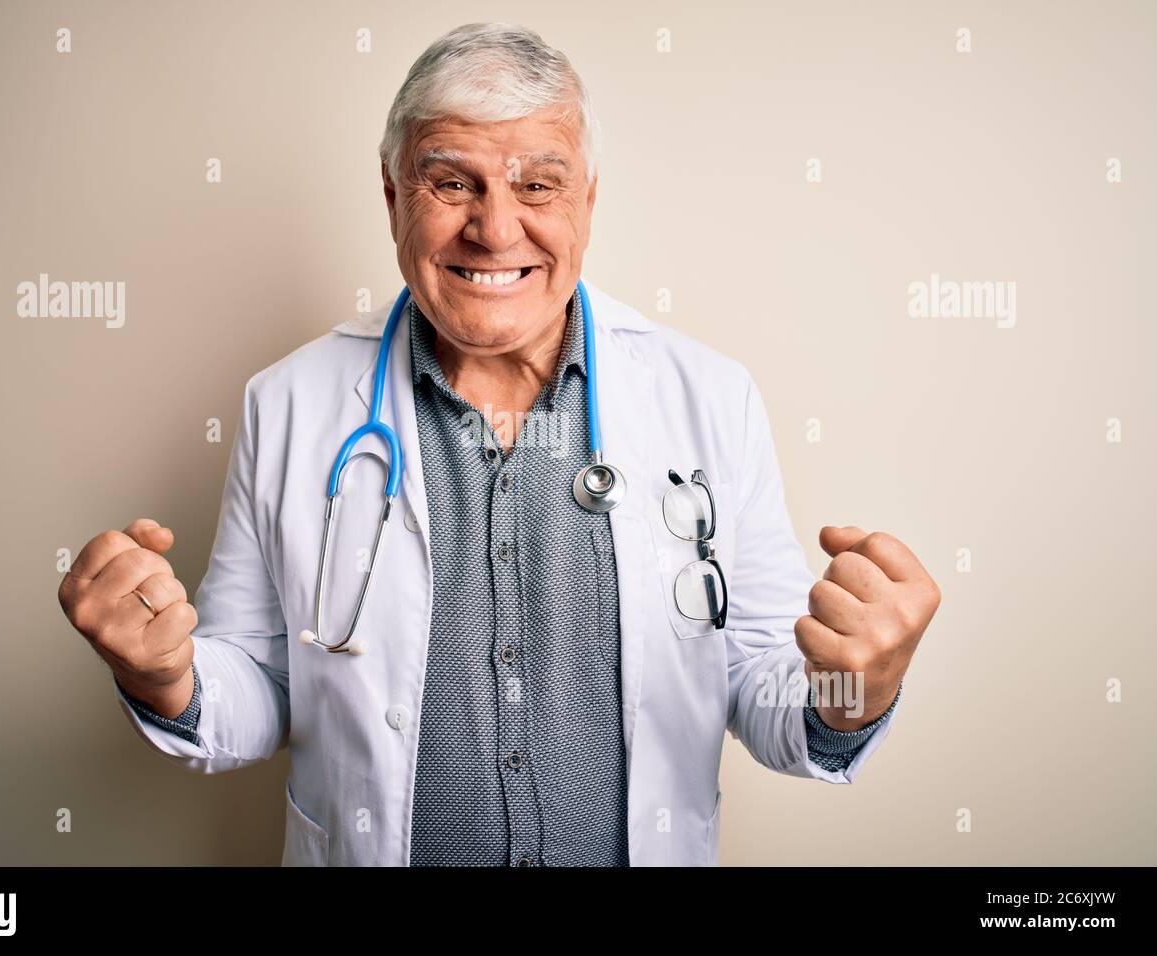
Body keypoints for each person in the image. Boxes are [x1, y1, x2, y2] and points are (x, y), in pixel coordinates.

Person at [58, 22, 940, 866]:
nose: (495, 229)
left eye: (537, 185)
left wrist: (855, 688)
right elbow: (258, 688)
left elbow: (763, 688)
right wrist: (166, 674)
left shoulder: (709, 397)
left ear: (588, 199)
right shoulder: (289, 403)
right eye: (452, 183)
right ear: (392, 193)